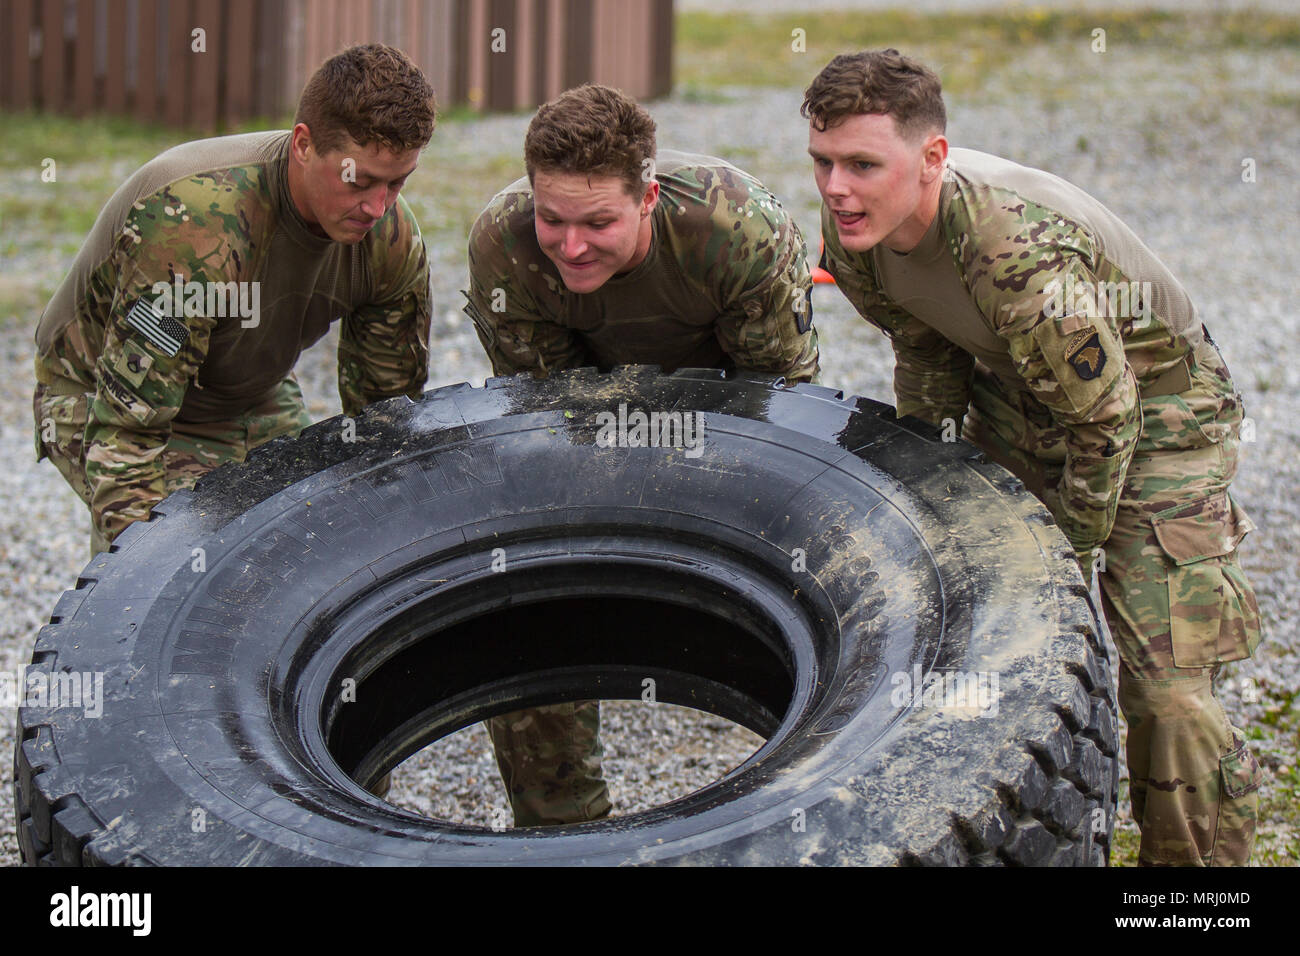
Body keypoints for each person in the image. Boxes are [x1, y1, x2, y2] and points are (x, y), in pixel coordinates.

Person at [804, 49, 1262, 866]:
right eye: (823, 161)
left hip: (1158, 421)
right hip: (1023, 396)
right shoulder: (857, 238)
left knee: (1165, 687)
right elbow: (926, 346)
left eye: (863, 164)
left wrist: (1068, 558)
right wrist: (922, 478)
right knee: (974, 626)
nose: (836, 187)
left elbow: (1107, 424)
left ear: (931, 158)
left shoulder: (1014, 254)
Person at [464, 83, 820, 826]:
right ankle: (562, 828)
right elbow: (549, 421)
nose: (569, 245)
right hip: (587, 411)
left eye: (598, 222)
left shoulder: (737, 230)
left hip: (728, 406)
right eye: (552, 218)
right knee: (530, 596)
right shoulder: (505, 243)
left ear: (648, 197)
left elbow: (779, 416)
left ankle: (797, 806)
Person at [34, 43, 435, 557]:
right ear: (304, 145)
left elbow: (385, 427)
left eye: (398, 182)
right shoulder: (197, 225)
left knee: (317, 537)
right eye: (360, 180)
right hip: (99, 395)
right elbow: (127, 439)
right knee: (194, 557)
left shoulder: (391, 240)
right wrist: (142, 576)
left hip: (249, 390)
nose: (378, 207)